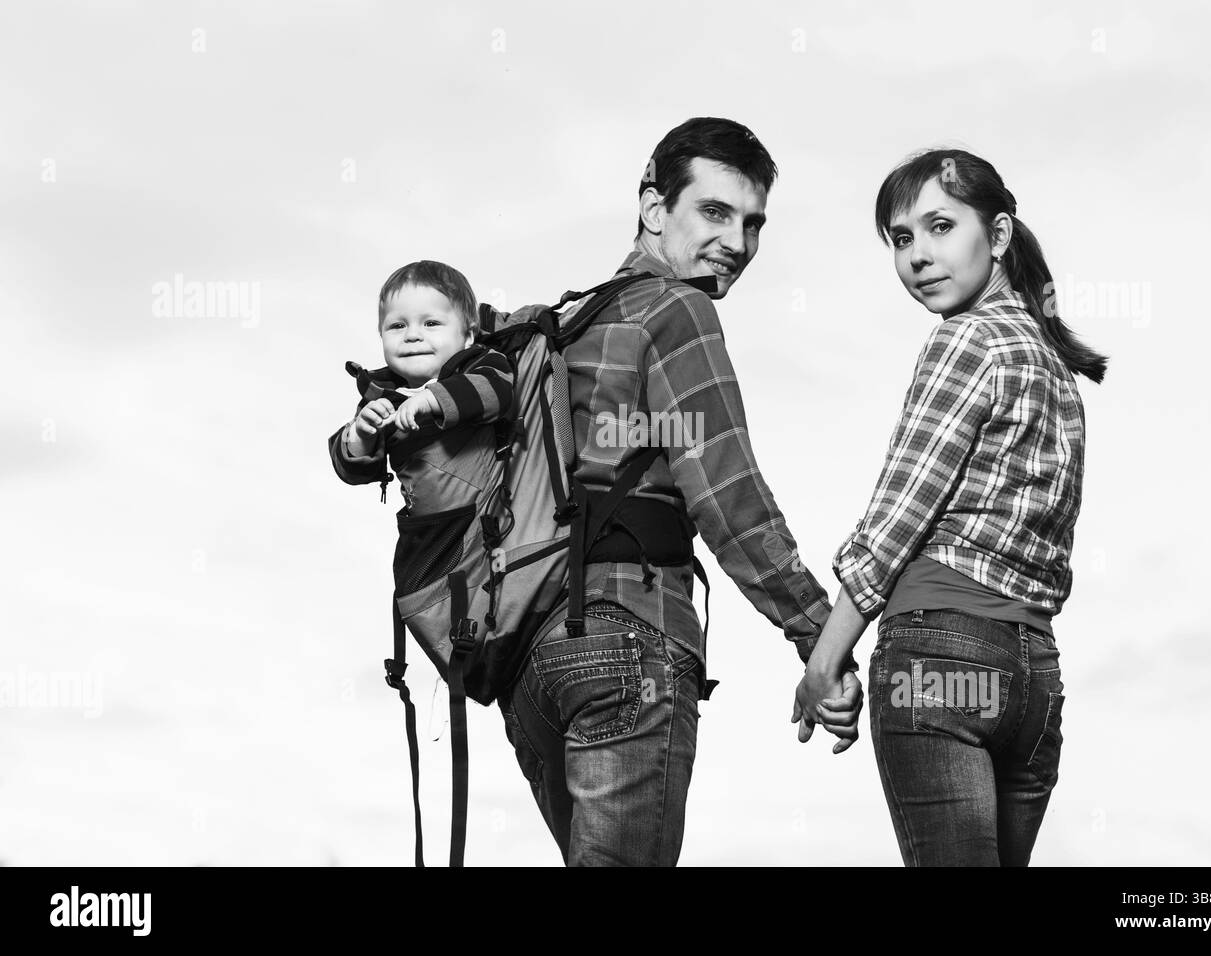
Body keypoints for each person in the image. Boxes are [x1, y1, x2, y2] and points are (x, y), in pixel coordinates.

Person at [495, 117, 864, 866]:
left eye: (753, 223)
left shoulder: (559, 324)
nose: (738, 241)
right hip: (628, 641)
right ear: (654, 208)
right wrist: (822, 639)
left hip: (532, 668)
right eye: (715, 213)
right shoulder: (675, 310)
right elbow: (729, 499)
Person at [794, 148, 1107, 866]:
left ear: (997, 236)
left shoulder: (967, 341)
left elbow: (897, 519)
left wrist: (823, 663)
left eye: (940, 226)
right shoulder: (1055, 369)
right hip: (1034, 681)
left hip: (939, 656)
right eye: (902, 239)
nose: (918, 257)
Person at [327, 259, 514, 511]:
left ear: (468, 335)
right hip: (425, 531)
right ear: (381, 334)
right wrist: (360, 434)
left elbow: (496, 392)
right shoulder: (382, 397)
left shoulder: (481, 364)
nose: (412, 335)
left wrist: (429, 399)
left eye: (431, 323)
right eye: (397, 326)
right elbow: (351, 472)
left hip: (491, 516)